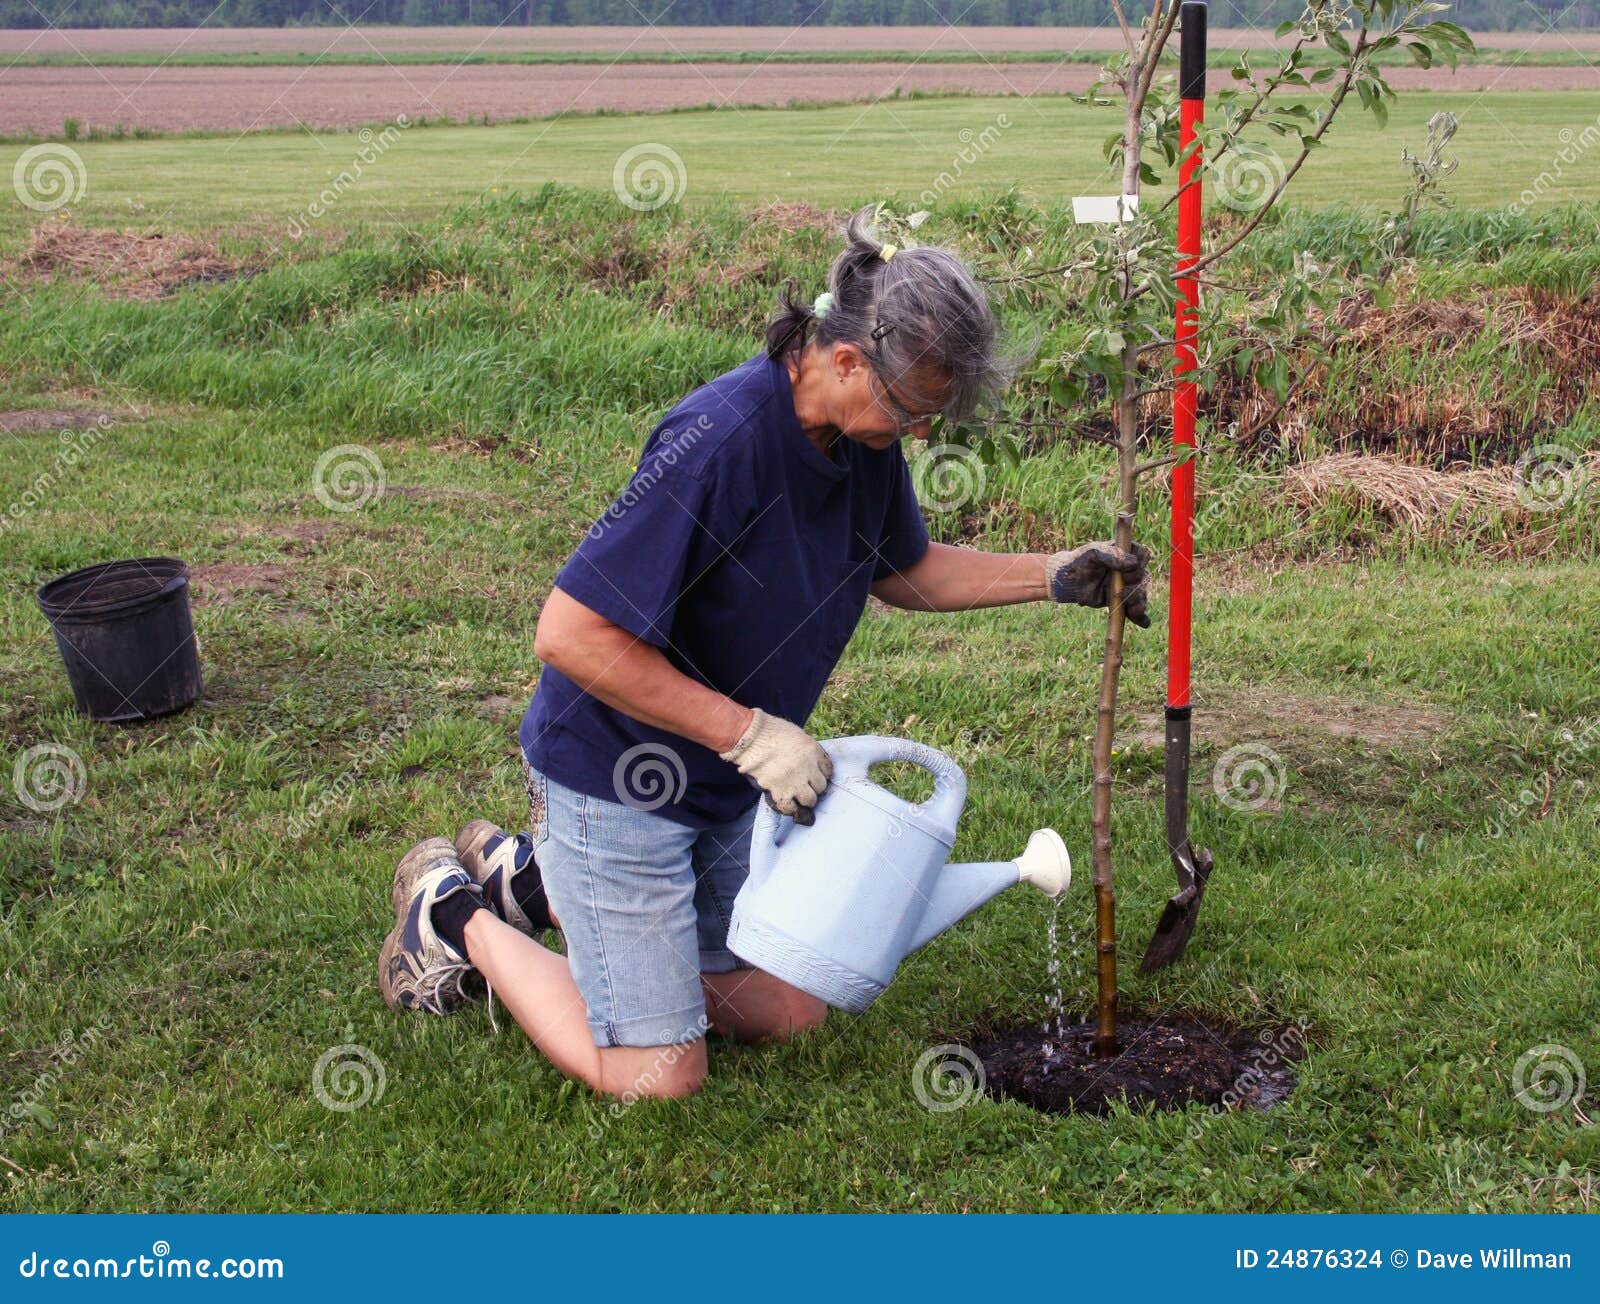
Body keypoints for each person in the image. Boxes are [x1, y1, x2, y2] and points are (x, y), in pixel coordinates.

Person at [378, 206, 1150, 1099]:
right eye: (912, 409)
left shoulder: (859, 436)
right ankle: (455, 914)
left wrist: (1056, 576)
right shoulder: (718, 443)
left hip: (717, 790)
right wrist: (750, 737)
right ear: (848, 358)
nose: (922, 432)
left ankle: (540, 887)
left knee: (792, 1008)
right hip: (616, 777)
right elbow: (569, 634)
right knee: (661, 1077)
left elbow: (902, 570)